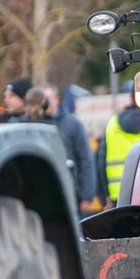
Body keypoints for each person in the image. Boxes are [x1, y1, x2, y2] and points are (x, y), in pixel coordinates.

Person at [96, 73, 140, 208]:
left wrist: (104, 197)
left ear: (131, 98)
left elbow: (100, 162)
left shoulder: (112, 123)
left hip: (119, 196)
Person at [41, 83, 97, 215]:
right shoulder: (37, 124)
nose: (47, 103)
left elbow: (85, 159)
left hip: (72, 193)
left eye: (49, 99)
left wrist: (87, 196)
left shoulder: (72, 124)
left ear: (57, 99)